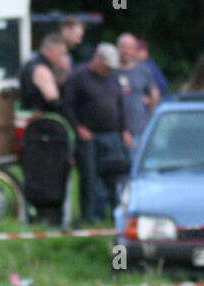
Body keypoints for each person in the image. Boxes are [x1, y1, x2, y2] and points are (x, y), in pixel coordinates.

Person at [62, 44, 131, 224]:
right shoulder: (77, 77)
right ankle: (89, 217)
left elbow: (120, 104)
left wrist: (124, 130)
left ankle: (114, 215)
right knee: (89, 179)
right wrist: (78, 127)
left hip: (113, 135)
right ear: (97, 59)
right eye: (106, 66)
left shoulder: (113, 77)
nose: (107, 70)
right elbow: (67, 106)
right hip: (90, 136)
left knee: (115, 179)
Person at [114, 32, 159, 142]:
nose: (126, 51)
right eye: (123, 47)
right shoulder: (110, 70)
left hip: (138, 130)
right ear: (117, 48)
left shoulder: (143, 71)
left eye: (130, 48)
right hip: (114, 131)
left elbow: (154, 95)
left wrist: (148, 116)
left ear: (135, 50)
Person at [18, 32, 68, 112]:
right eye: (61, 53)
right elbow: (53, 100)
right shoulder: (41, 69)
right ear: (49, 51)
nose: (63, 58)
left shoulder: (33, 62)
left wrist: (62, 71)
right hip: (39, 117)